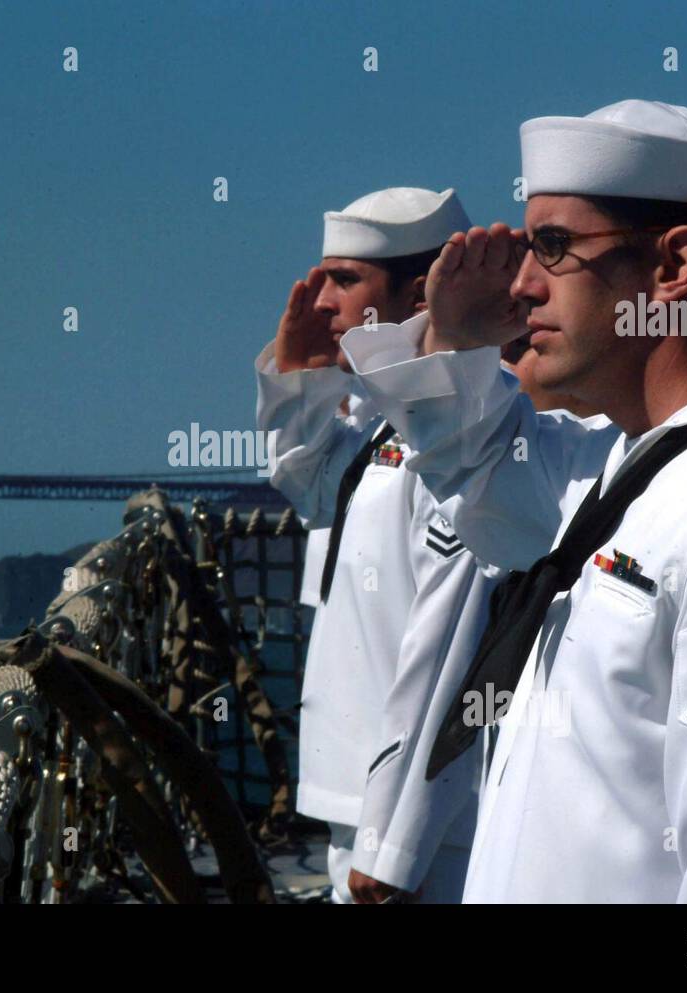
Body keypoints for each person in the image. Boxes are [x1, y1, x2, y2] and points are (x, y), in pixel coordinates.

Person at [340, 100, 687, 902]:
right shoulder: (627, 469)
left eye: (552, 247)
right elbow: (476, 470)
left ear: (673, 268)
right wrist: (454, 345)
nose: (520, 286)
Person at [257, 187, 502, 903]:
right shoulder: (382, 429)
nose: (322, 300)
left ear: (422, 290)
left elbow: (452, 654)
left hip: (430, 816)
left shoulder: (465, 434)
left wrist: (393, 843)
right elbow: (312, 489)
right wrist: (305, 383)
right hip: (358, 793)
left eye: (345, 279)